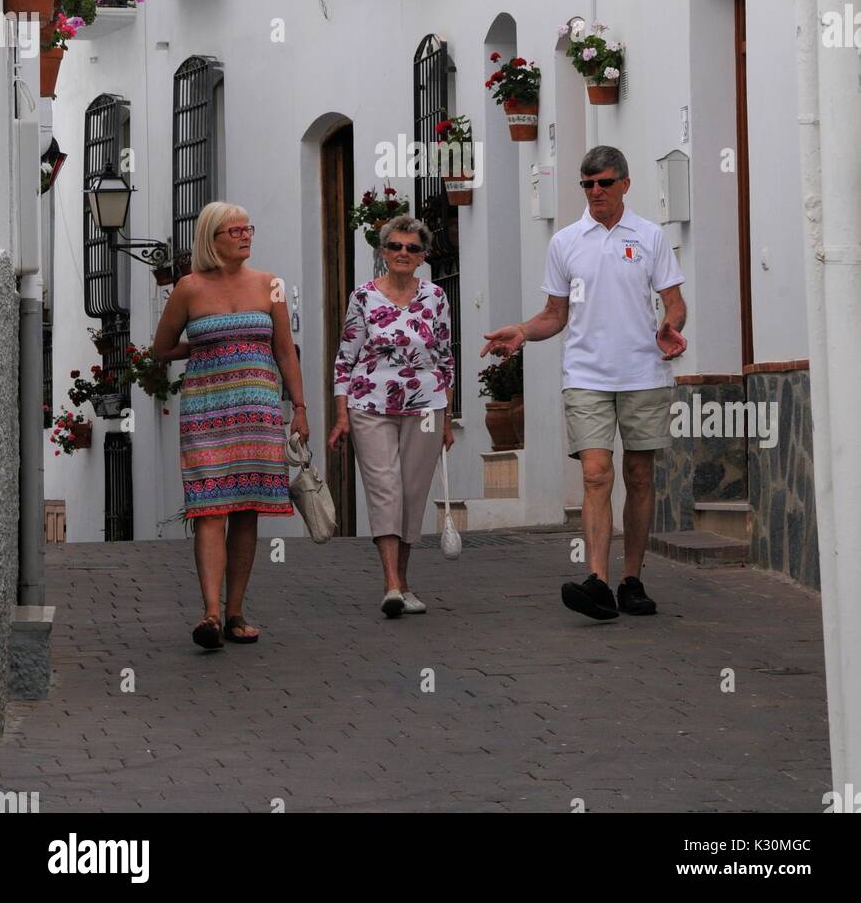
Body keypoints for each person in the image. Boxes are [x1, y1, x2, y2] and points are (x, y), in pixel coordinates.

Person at [481, 147, 687, 620]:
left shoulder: (650, 237)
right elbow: (556, 315)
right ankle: (596, 581)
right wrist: (522, 332)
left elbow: (674, 301)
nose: (596, 191)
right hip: (586, 375)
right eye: (588, 184)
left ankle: (631, 580)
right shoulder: (566, 242)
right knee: (595, 473)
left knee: (638, 475)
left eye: (605, 183)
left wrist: (670, 325)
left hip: (643, 373)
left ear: (625, 185)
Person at [153, 202, 308, 649]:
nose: (246, 236)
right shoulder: (189, 288)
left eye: (248, 229)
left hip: (258, 413)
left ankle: (235, 611)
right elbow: (163, 348)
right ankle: (210, 615)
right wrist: (208, 347)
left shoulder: (271, 286)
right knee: (209, 506)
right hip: (205, 413)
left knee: (245, 509)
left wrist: (299, 407)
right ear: (212, 238)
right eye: (235, 230)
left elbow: (284, 350)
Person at [328, 215, 455, 617]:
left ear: (423, 256)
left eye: (412, 248)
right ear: (383, 252)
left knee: (412, 492)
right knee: (385, 487)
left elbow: (446, 359)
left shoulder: (435, 297)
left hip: (426, 405)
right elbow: (345, 358)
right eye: (396, 247)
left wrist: (448, 417)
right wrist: (341, 414)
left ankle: (404, 580)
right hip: (370, 403)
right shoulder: (363, 297)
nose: (403, 253)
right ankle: (391, 585)